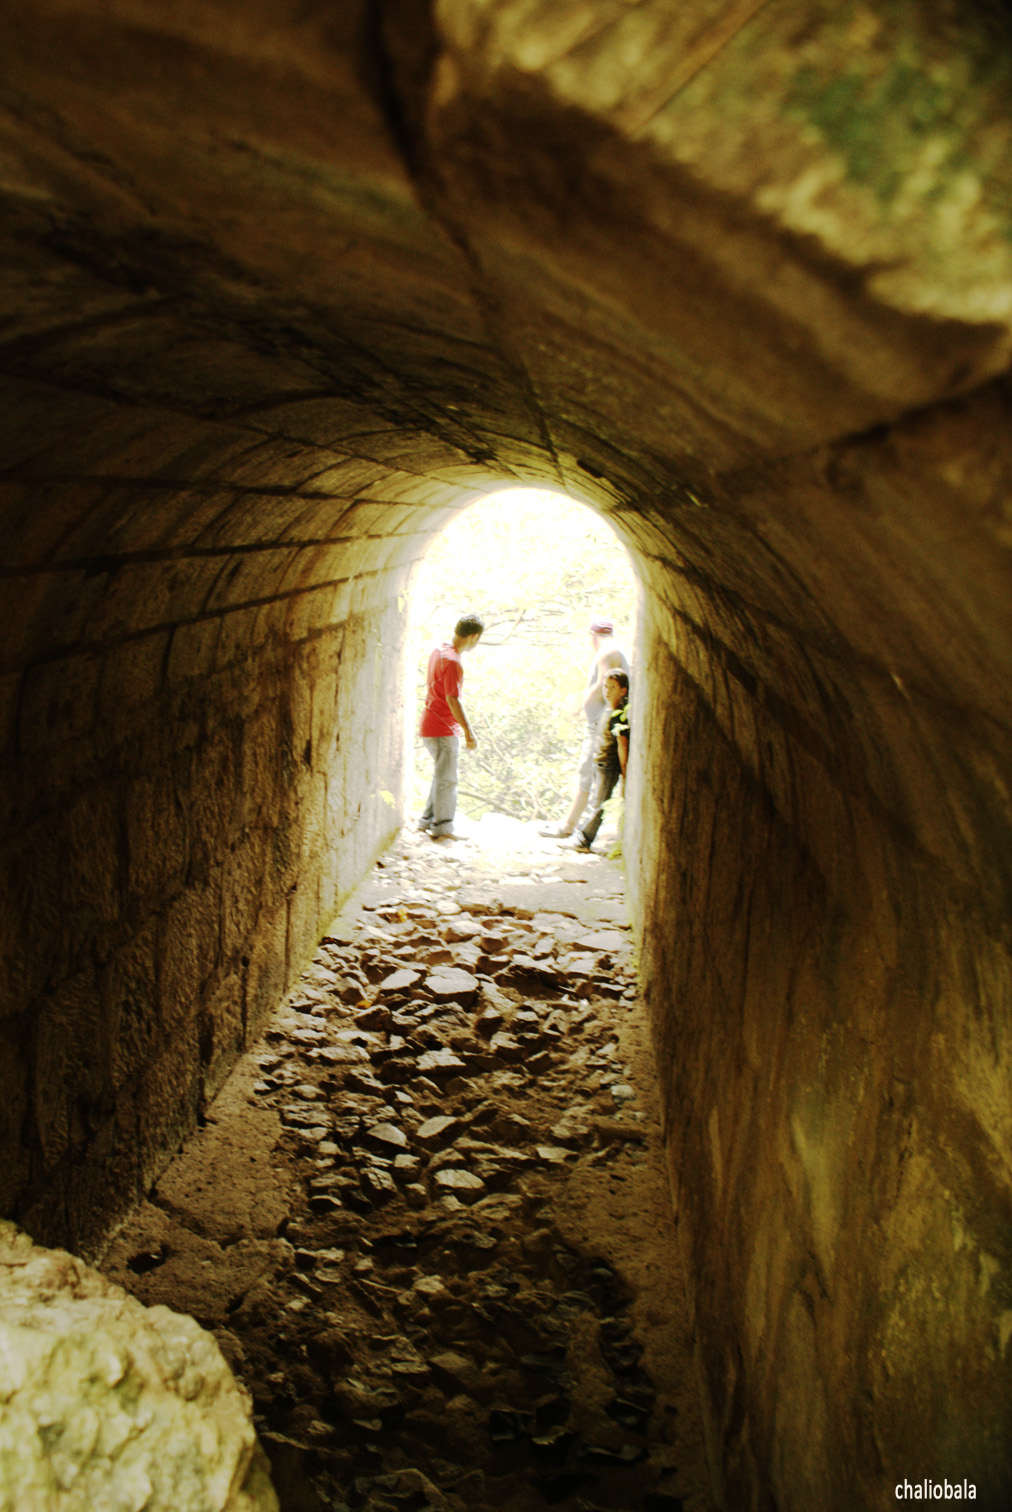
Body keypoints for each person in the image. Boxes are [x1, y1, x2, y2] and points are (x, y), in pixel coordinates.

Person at [539, 615, 630, 838]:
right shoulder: (614, 649)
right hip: (604, 722)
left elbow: (602, 684)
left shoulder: (607, 651)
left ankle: (572, 828)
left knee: (589, 773)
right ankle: (576, 827)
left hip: (601, 724)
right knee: (597, 775)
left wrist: (579, 707)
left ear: (592, 636)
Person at [418, 613, 484, 840]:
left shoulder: (439, 651)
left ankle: (427, 820)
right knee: (447, 779)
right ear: (474, 637)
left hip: (429, 723)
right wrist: (468, 731)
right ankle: (443, 827)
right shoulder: (454, 662)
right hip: (442, 727)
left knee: (441, 775)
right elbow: (453, 699)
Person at [570, 669, 630, 851]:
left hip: (609, 765)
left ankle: (584, 840)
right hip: (600, 763)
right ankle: (581, 834)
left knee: (599, 804)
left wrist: (624, 768)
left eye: (612, 687)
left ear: (623, 691)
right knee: (596, 800)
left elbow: (622, 744)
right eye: (605, 686)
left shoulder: (618, 715)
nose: (607, 690)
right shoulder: (608, 709)